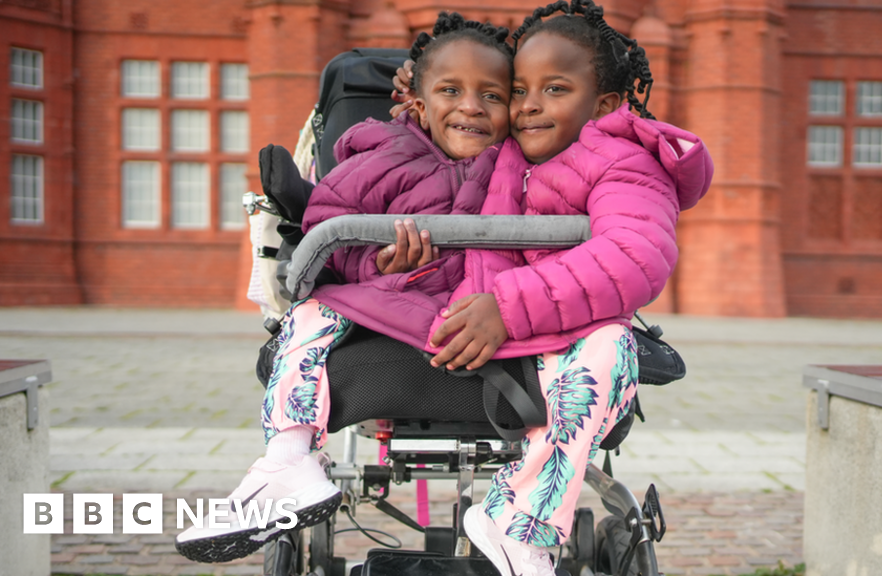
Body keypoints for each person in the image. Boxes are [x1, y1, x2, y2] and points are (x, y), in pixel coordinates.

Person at [174, 12, 515, 563]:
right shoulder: (381, 160)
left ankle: (523, 506)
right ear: (417, 104)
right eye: (451, 90)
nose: (472, 106)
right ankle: (289, 460)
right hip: (385, 301)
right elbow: (326, 233)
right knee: (310, 314)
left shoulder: (524, 167)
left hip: (482, 314)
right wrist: (376, 260)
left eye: (491, 95)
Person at [396, 1, 714, 574]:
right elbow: (451, 132)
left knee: (611, 346)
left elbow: (632, 256)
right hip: (476, 334)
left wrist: (508, 308)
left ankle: (520, 525)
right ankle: (516, 527)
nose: (529, 105)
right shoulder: (506, 150)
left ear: (605, 105)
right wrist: (422, 102)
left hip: (558, 337)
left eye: (556, 89)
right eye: (519, 90)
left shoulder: (623, 161)